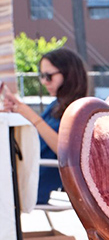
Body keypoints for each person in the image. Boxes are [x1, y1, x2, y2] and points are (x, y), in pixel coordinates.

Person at [1, 47, 88, 203]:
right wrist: (17, 110)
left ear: (69, 74)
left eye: (49, 76)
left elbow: (66, 151)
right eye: (42, 76)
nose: (44, 81)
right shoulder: (56, 105)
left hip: (38, 182)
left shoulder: (79, 110)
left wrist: (28, 114)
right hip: (29, 174)